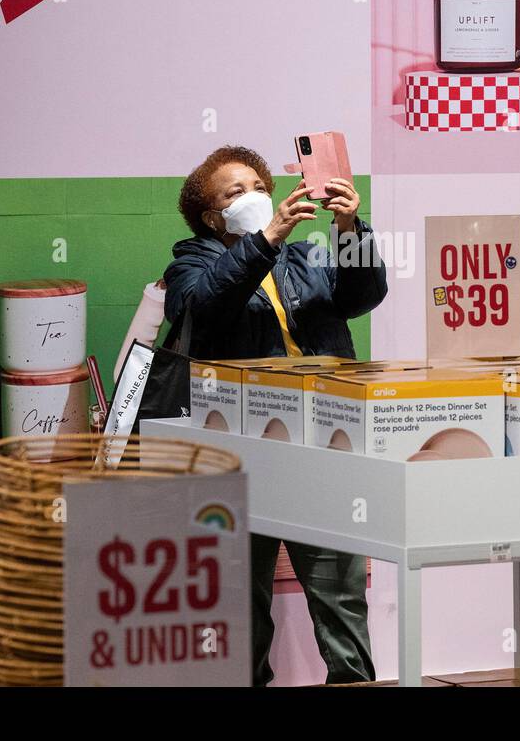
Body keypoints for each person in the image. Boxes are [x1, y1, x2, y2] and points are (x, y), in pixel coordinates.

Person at [163, 145, 387, 685]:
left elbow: (364, 294)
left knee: (341, 602)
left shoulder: (307, 258)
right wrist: (266, 241)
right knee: (241, 607)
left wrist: (350, 225)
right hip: (240, 458)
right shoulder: (189, 265)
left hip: (318, 450)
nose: (254, 198)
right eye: (234, 193)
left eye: (259, 187)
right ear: (212, 217)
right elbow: (205, 305)